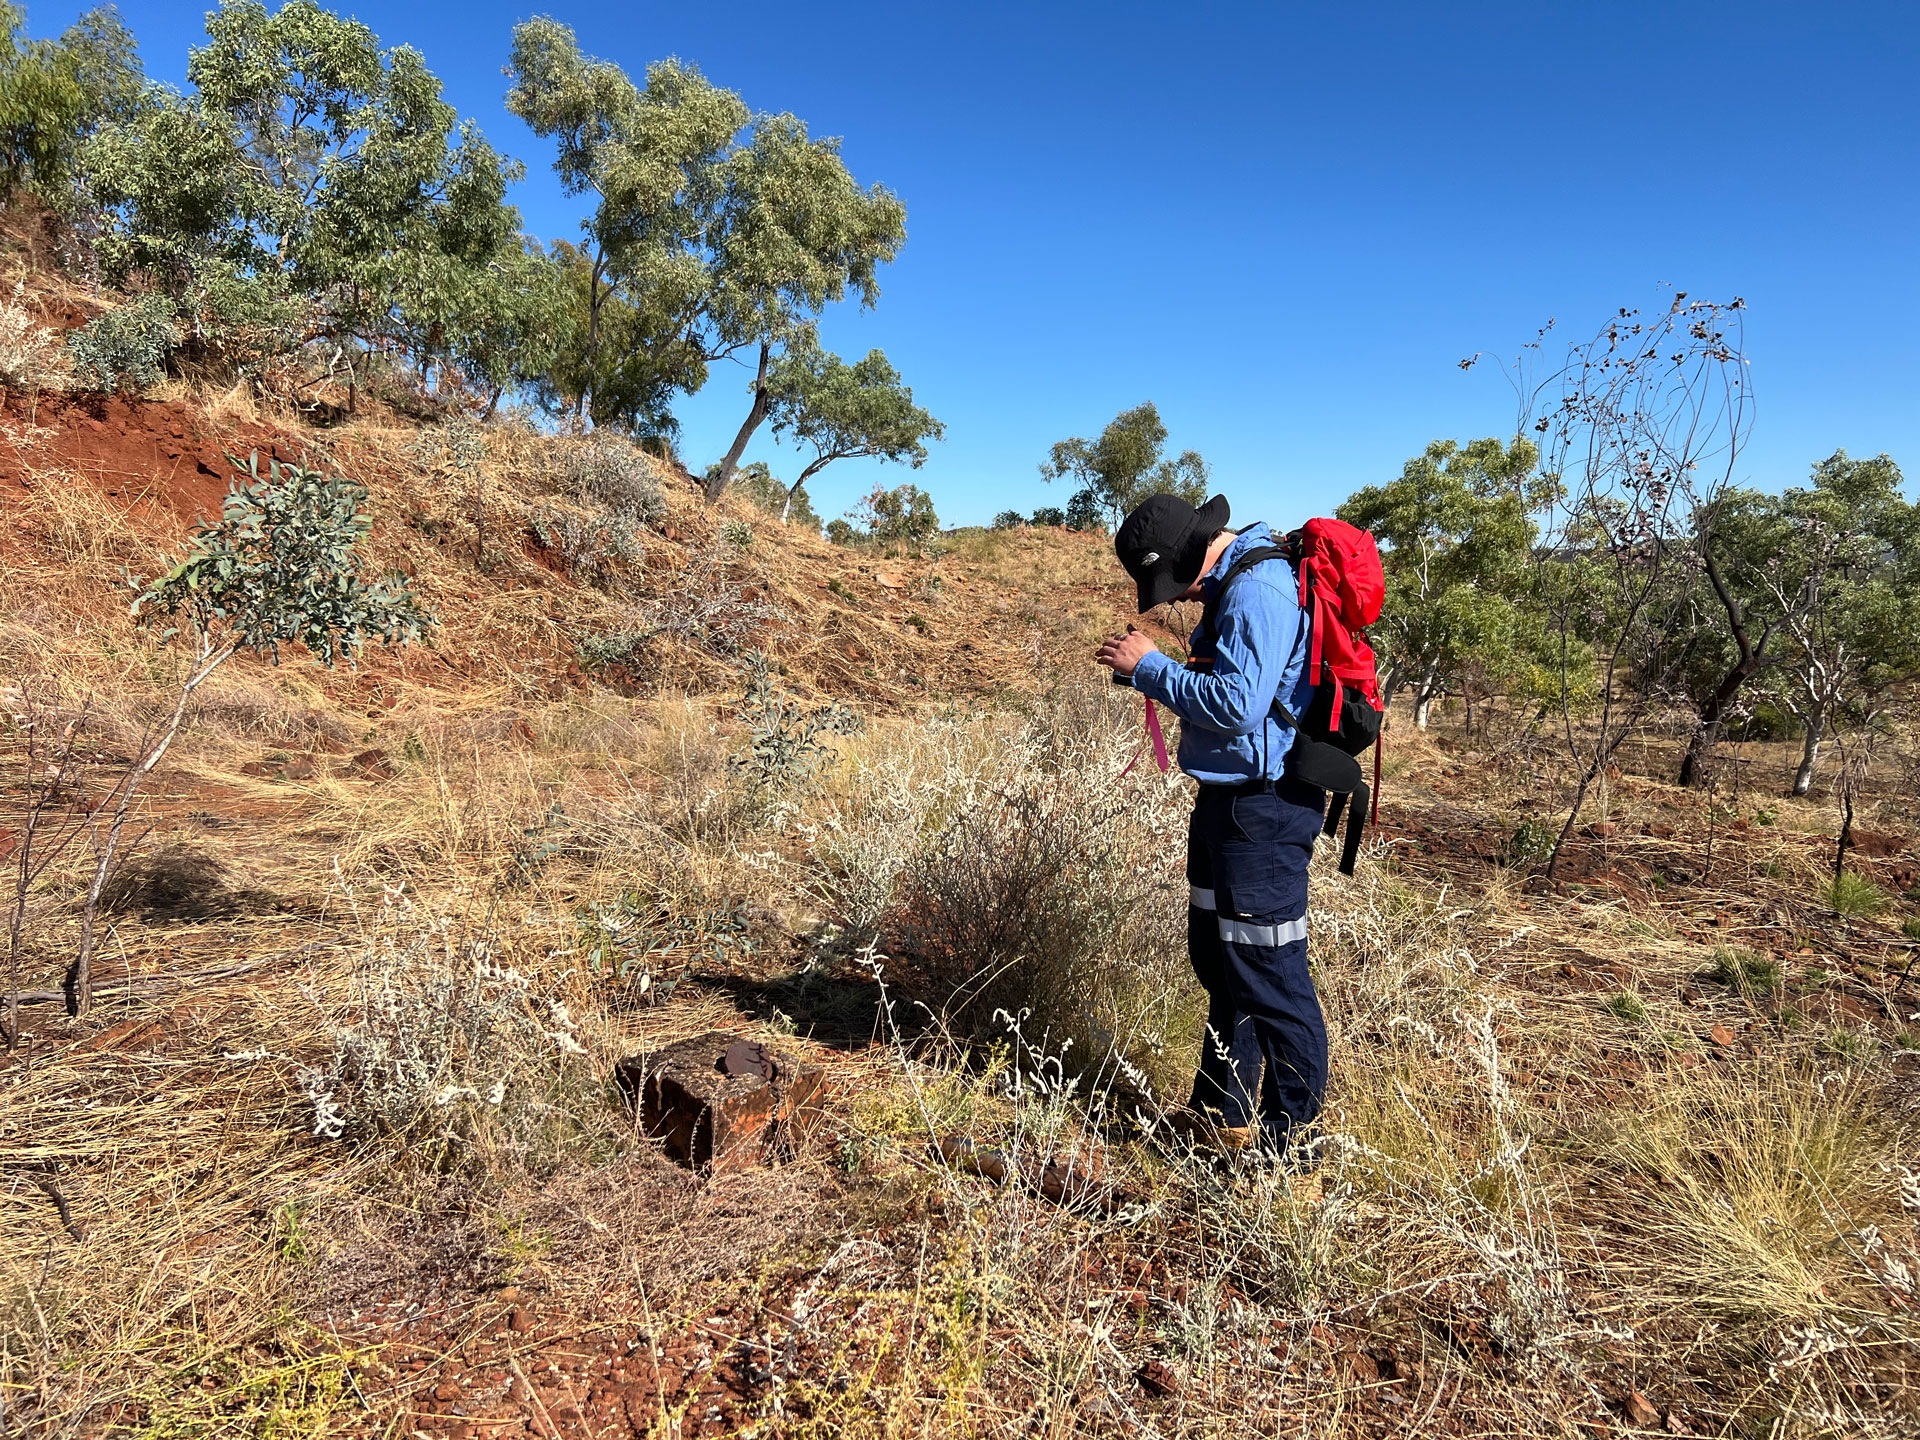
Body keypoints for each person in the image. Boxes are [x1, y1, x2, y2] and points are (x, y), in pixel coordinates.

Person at [1095, 492, 1326, 1158]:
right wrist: (1165, 674)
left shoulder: (1260, 589)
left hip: (1266, 809)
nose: (1180, 598)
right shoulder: (1235, 586)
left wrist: (1152, 669)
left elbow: (1238, 705)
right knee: (1226, 962)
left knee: (1270, 976)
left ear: (1196, 552)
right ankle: (1219, 1118)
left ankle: (1294, 1149)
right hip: (1231, 803)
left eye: (1175, 581)